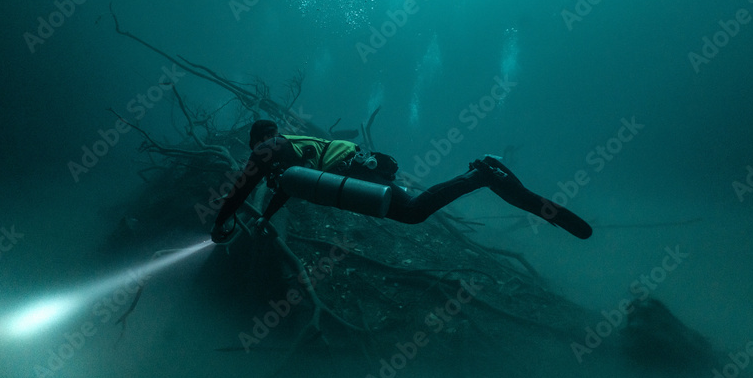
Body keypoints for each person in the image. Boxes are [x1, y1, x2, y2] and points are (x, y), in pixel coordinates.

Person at [209, 119, 592, 243]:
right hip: (357, 167)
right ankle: (479, 175)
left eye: (252, 149)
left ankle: (479, 174)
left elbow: (242, 186)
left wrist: (218, 221)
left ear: (259, 140)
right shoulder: (288, 151)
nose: (253, 156)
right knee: (410, 212)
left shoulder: (270, 148)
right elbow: (289, 188)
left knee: (410, 212)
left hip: (353, 169)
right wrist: (266, 217)